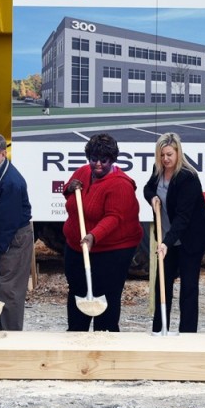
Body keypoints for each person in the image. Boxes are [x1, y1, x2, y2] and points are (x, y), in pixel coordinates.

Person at [61, 133, 143, 331]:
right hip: (76, 246)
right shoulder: (82, 172)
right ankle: (76, 335)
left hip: (113, 249)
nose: (98, 164)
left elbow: (114, 217)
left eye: (103, 160)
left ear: (112, 160)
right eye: (93, 159)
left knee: (106, 296)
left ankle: (104, 337)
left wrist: (93, 236)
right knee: (77, 292)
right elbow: (69, 196)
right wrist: (69, 188)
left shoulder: (121, 184)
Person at [143, 132, 205, 333]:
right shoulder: (158, 172)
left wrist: (166, 242)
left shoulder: (187, 178)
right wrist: (153, 198)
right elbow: (148, 188)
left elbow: (183, 217)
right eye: (162, 155)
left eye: (169, 155)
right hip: (168, 238)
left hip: (190, 238)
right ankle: (159, 329)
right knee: (161, 286)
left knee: (188, 287)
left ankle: (187, 333)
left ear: (178, 154)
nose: (166, 159)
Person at [0, 132, 35, 331]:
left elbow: (8, 222)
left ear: (3, 154)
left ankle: (11, 337)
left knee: (9, 290)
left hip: (14, 237)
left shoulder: (11, 182)